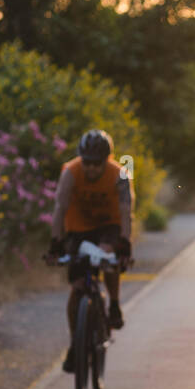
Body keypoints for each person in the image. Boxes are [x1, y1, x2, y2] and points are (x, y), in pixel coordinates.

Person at [48, 130, 133, 373]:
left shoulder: (119, 175)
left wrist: (125, 243)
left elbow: (126, 212)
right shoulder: (70, 172)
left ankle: (114, 303)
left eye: (97, 163)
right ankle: (76, 342)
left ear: (107, 160)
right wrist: (56, 242)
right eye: (86, 162)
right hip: (79, 229)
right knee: (77, 287)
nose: (91, 168)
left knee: (109, 256)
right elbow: (60, 207)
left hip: (109, 226)